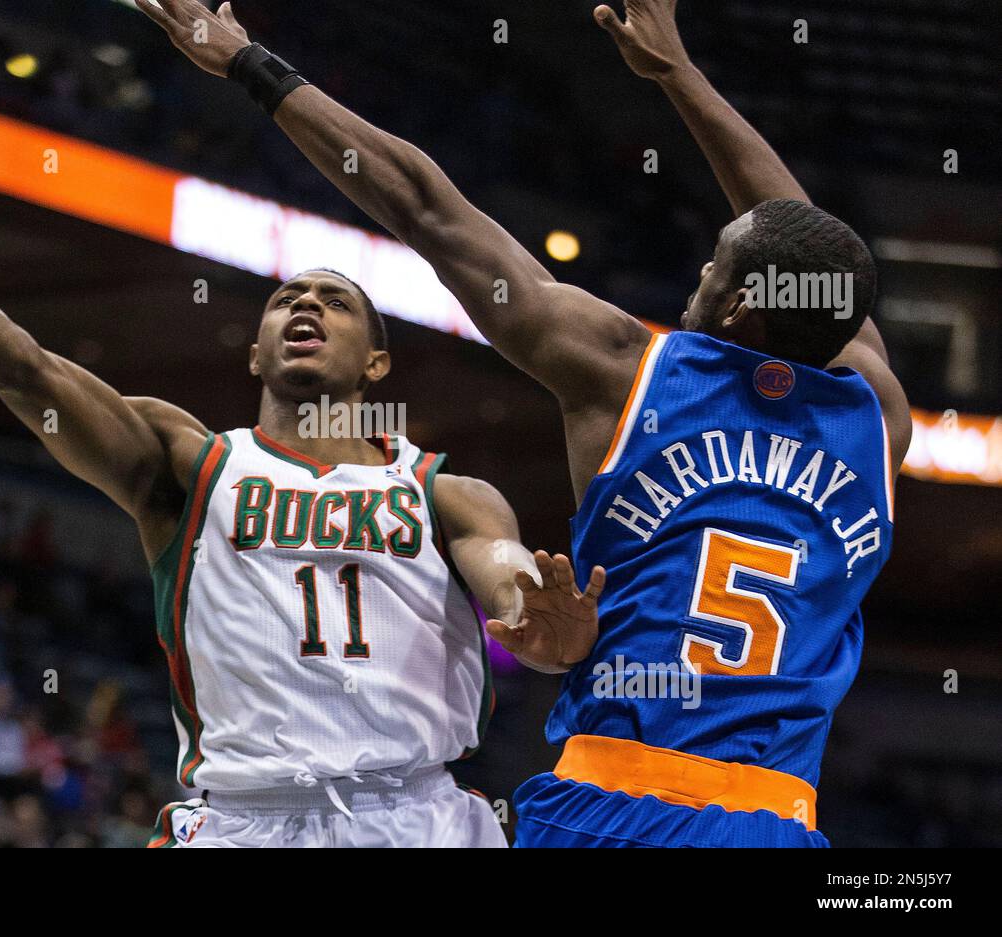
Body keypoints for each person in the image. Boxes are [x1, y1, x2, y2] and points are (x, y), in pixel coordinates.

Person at [0, 60, 602, 848]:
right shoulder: (189, 462)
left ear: (377, 362)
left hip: (415, 816)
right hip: (241, 819)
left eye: (334, 301)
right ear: (256, 351)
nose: (305, 303)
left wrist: (543, 626)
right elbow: (17, 363)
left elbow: (512, 589)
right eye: (285, 299)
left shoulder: (445, 492)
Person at [137, 0, 912, 847]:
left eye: (716, 265)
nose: (700, 267)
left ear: (736, 311)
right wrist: (679, 76)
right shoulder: (876, 413)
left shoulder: (628, 371)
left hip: (611, 803)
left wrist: (252, 64)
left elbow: (430, 212)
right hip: (777, 818)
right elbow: (820, 260)